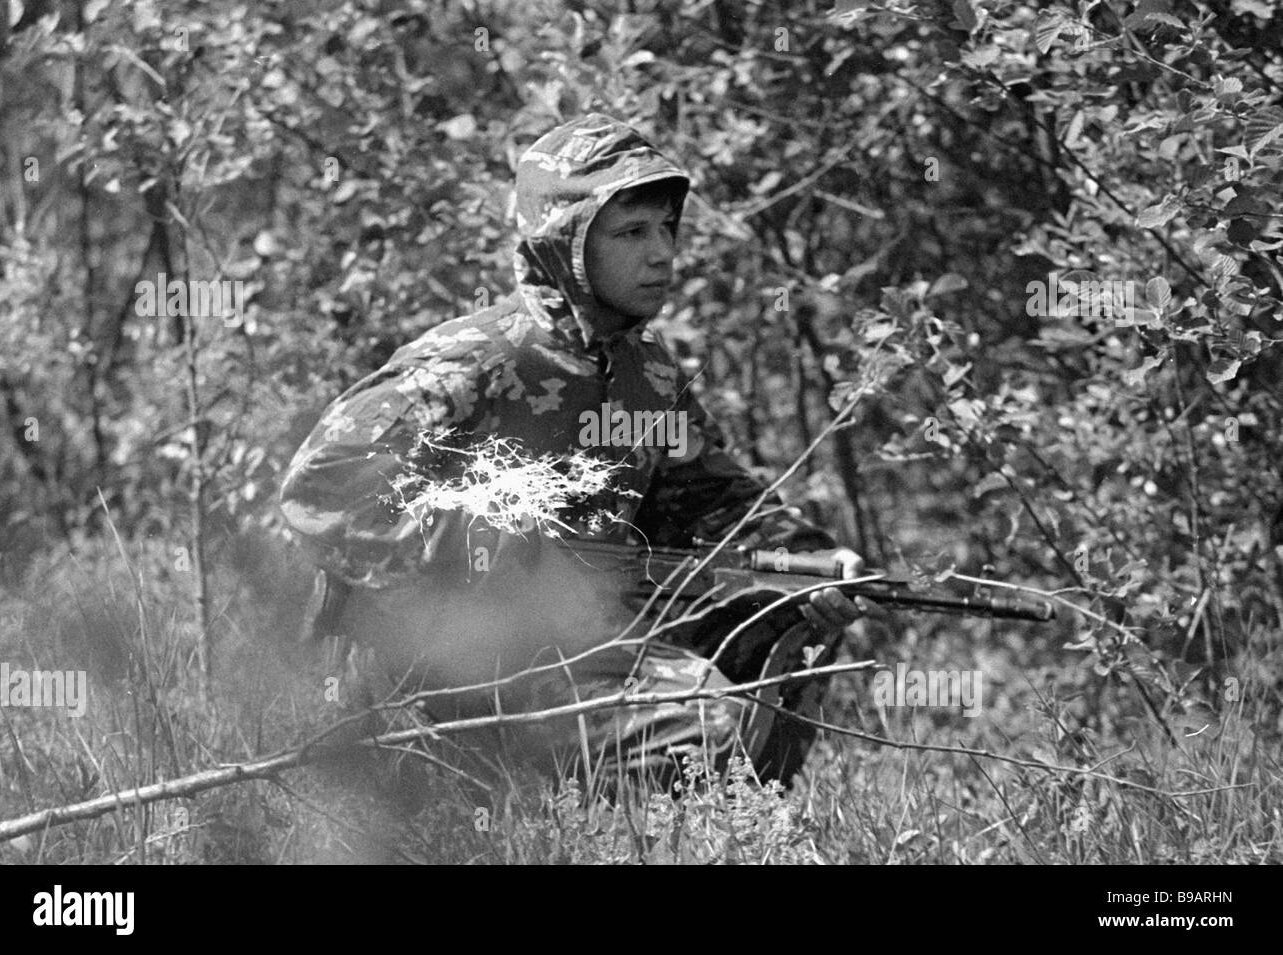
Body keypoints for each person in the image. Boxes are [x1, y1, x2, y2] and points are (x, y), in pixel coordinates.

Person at [279, 113, 877, 788]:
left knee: (782, 632)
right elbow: (322, 485)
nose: (662, 254)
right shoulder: (475, 360)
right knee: (706, 723)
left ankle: (724, 830)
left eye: (666, 228)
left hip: (578, 643)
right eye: (631, 232)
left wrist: (808, 561)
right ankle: (539, 811)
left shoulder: (648, 374)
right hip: (434, 662)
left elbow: (715, 502)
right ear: (565, 240)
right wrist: (481, 550)